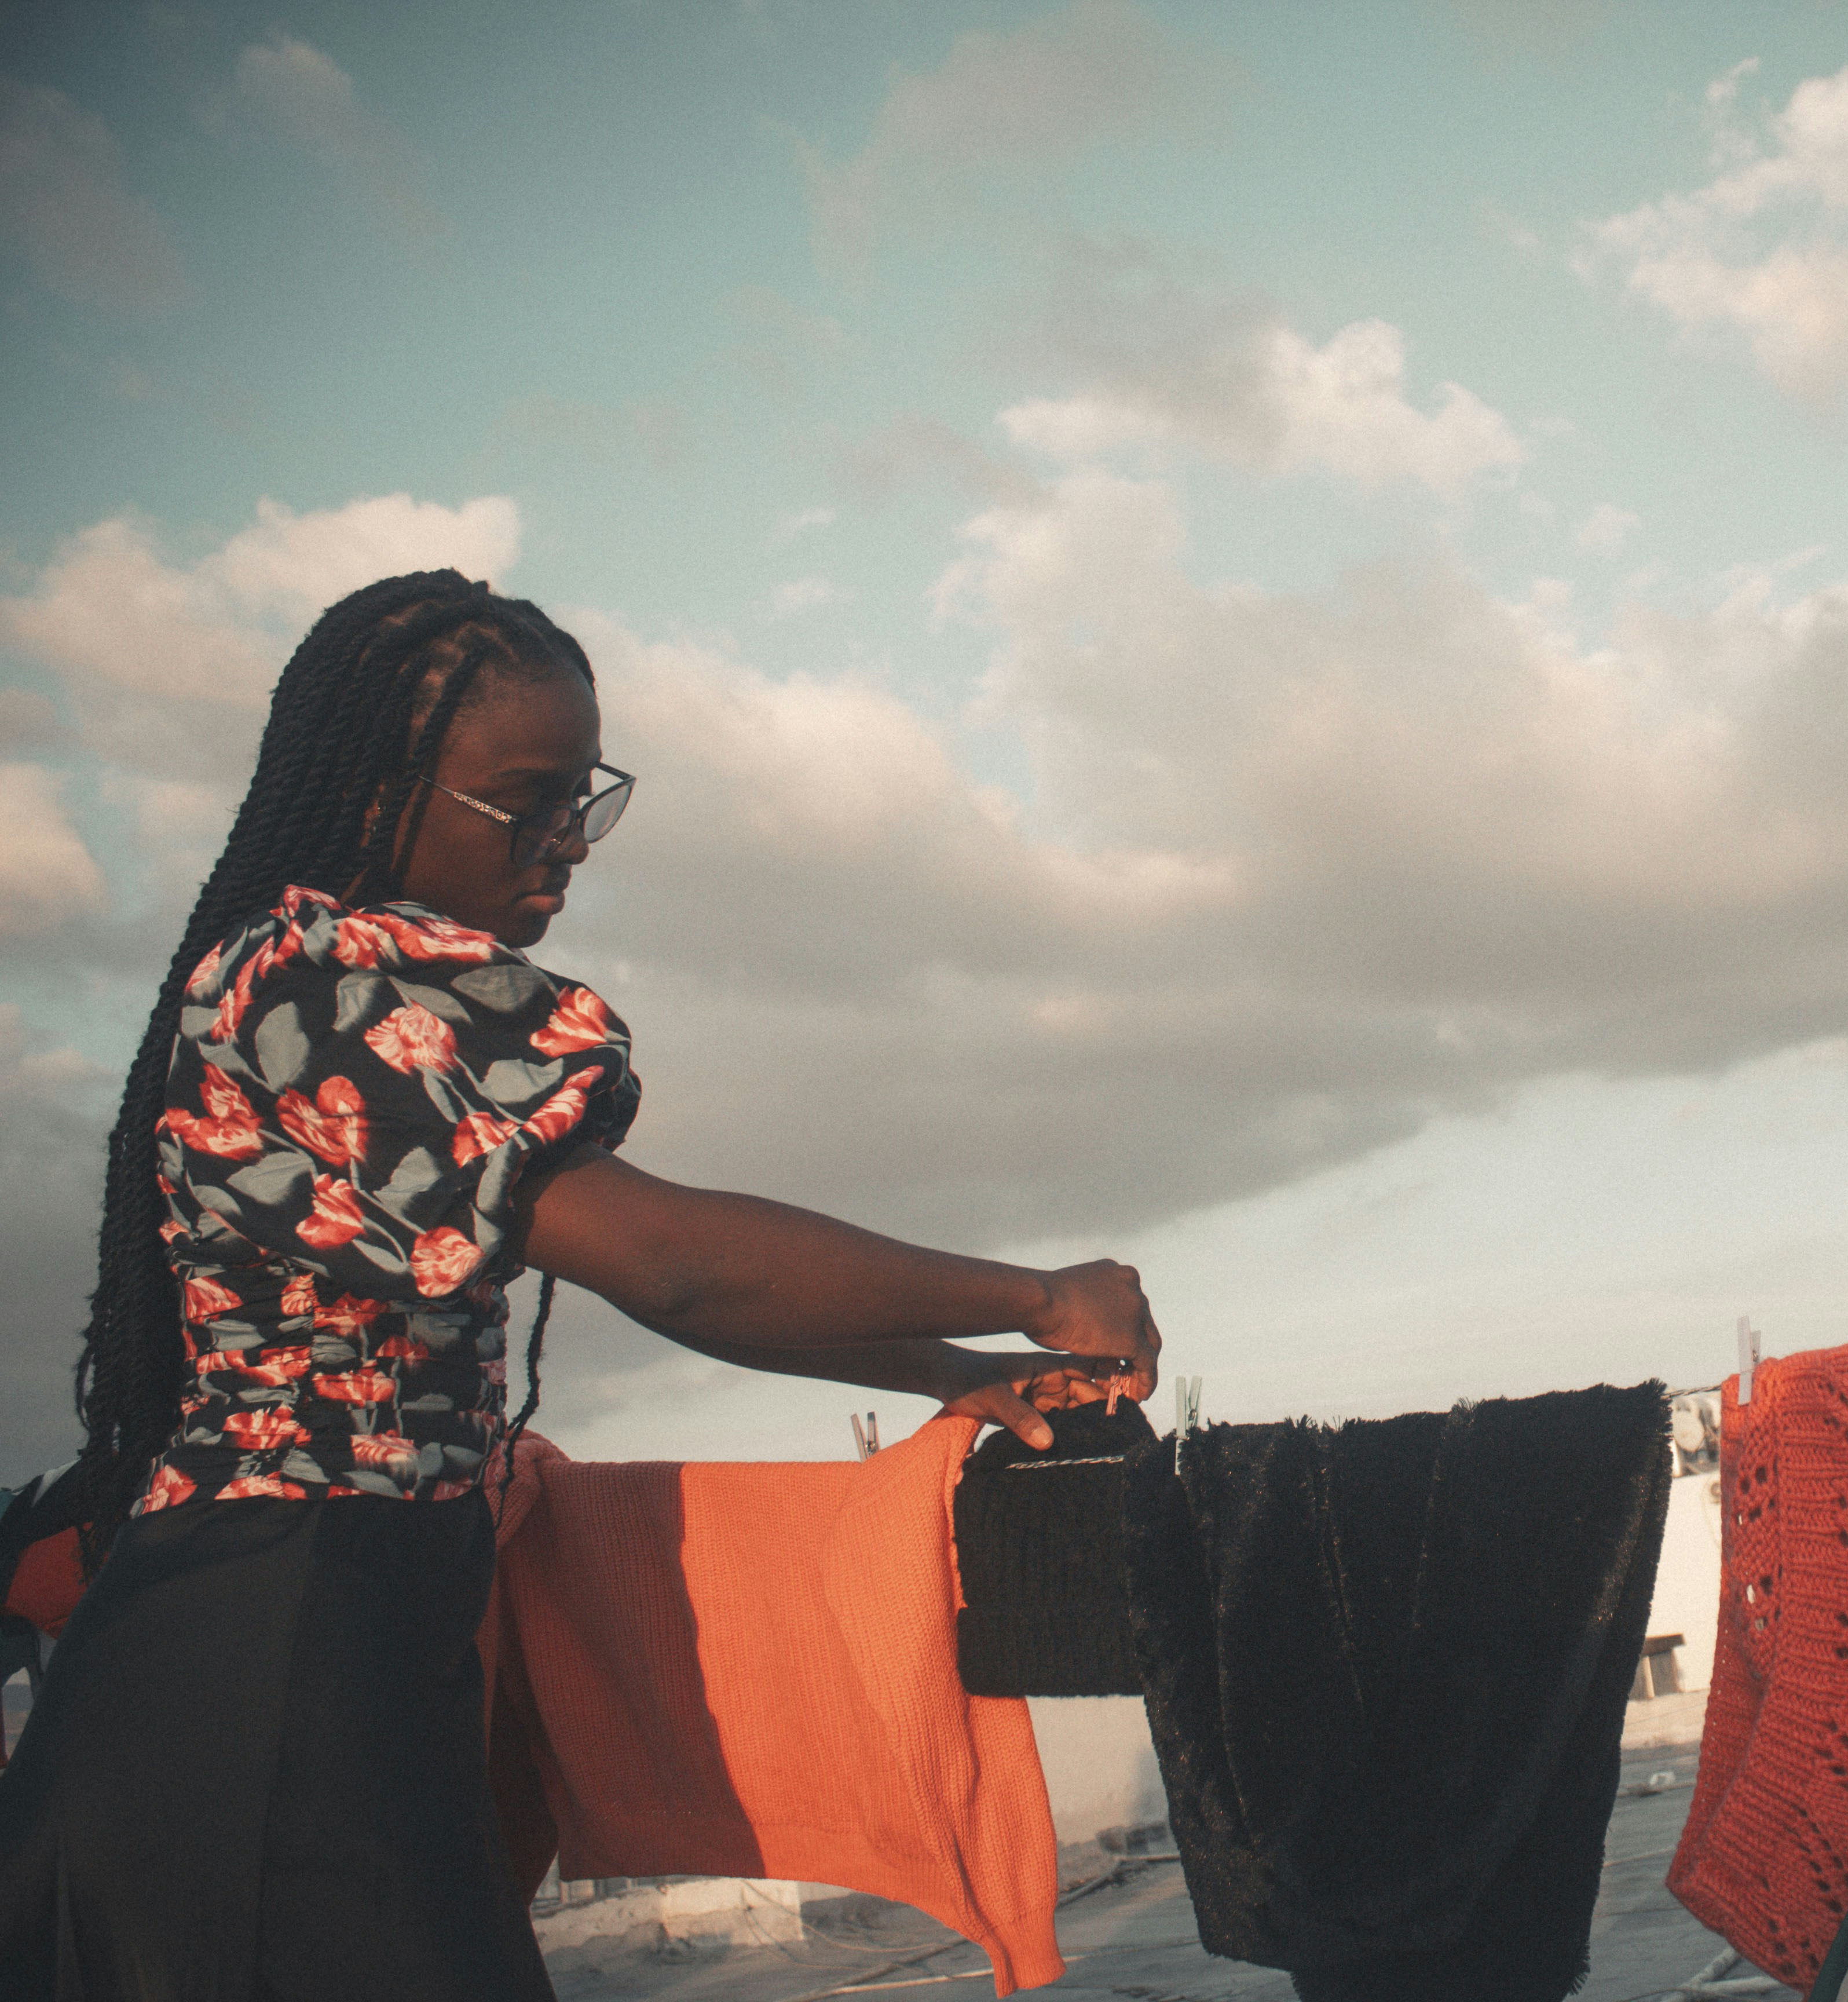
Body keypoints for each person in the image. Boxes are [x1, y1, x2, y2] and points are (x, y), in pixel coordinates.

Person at [0, 570, 1162, 2000]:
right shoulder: (313, 989)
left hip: (329, 1652)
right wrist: (1038, 1295)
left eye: (583, 800)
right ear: (376, 793)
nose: (566, 846)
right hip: (263, 1675)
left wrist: (942, 1371)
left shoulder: (341, 998)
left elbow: (660, 1272)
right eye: (527, 801)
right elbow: (669, 1263)